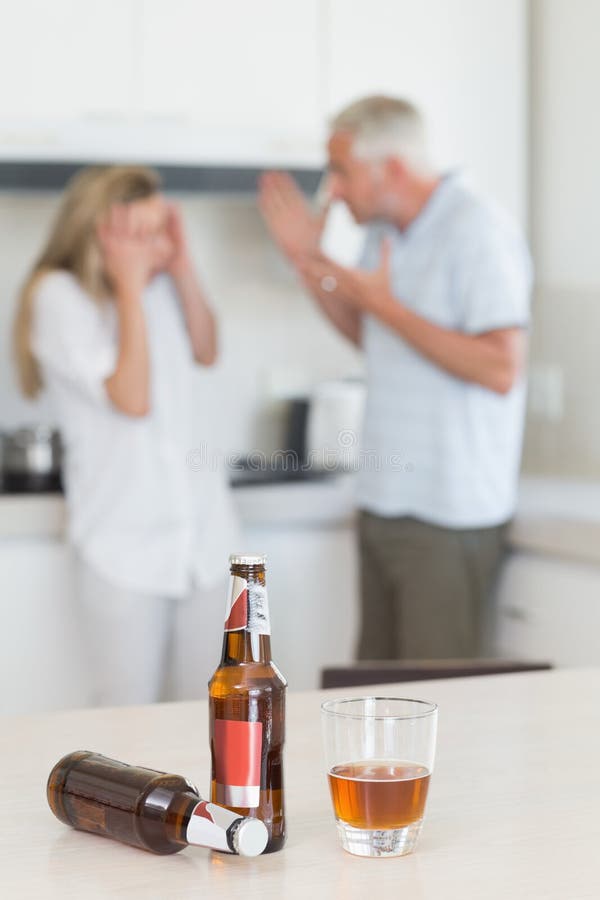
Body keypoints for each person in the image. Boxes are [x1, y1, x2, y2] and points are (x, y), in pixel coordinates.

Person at [259, 95, 532, 660]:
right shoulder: (385, 232)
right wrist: (308, 264)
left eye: (342, 171)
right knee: (374, 703)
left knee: (432, 705)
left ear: (394, 169)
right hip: (385, 502)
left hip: (447, 515)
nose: (332, 189)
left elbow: (501, 367)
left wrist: (385, 307)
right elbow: (375, 339)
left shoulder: (475, 228)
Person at [14, 165, 238, 705]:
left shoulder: (161, 285)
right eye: (143, 233)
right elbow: (131, 399)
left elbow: (207, 348)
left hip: (204, 543)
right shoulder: (59, 297)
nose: (157, 245)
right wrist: (130, 288)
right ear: (100, 233)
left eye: (162, 230)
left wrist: (182, 266)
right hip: (124, 550)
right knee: (127, 720)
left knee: (212, 713)